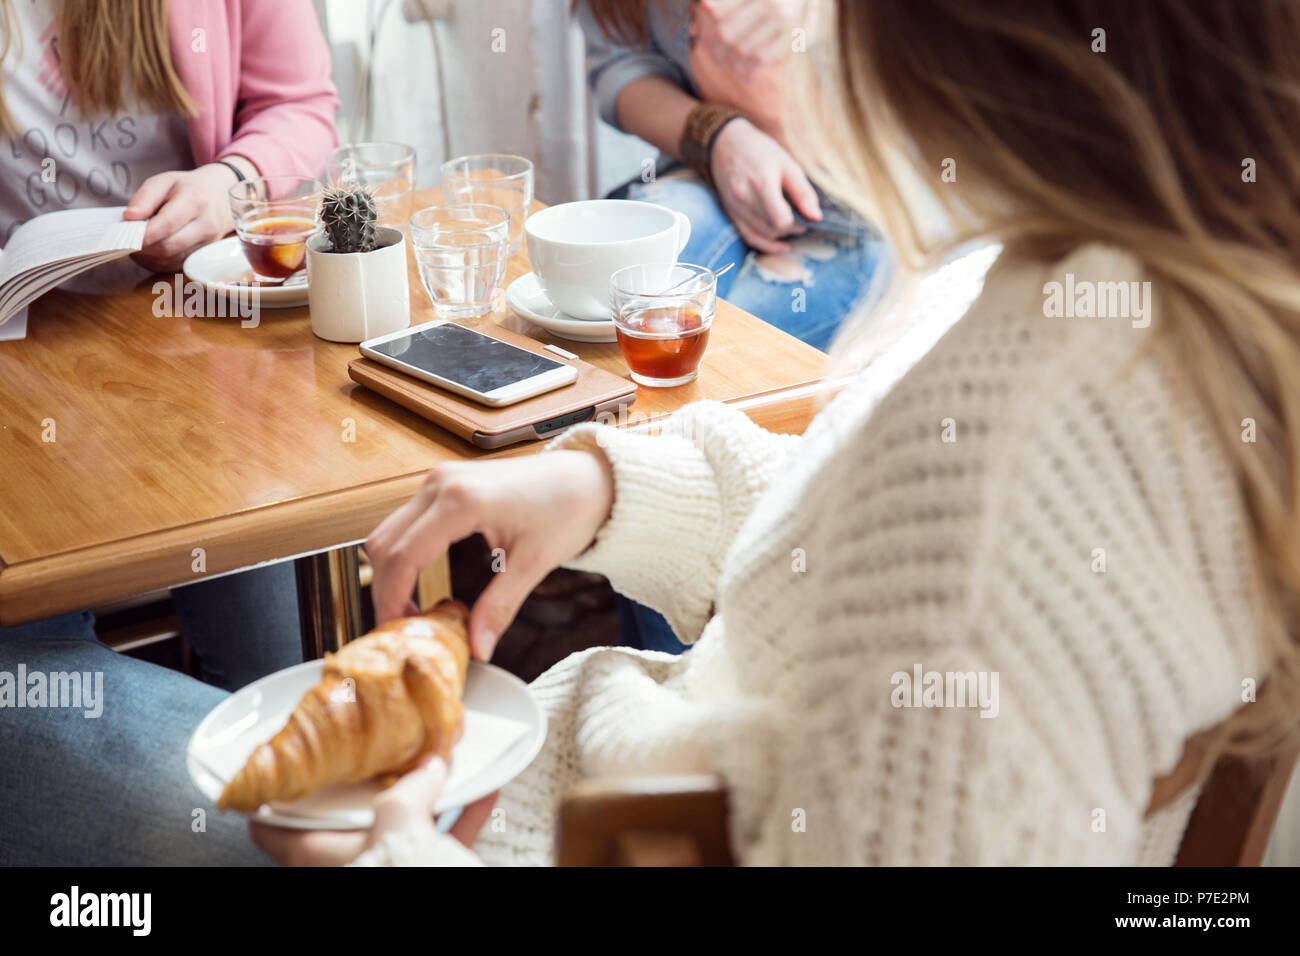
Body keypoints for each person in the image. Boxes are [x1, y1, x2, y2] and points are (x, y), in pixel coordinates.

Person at [266, 0, 1300, 865]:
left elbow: (935, 558)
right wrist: (607, 491)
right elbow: (861, 540)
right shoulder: (1090, 287)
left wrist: (396, 852)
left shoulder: (1004, 487)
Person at [0, 0, 337, 865]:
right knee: (296, 814)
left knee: (283, 702)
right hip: (18, 383)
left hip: (192, 358)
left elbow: (300, 105)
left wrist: (233, 182)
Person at [579, 0, 887, 654]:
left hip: (879, 205)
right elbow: (618, 69)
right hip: (711, 171)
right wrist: (718, 133)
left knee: (682, 405)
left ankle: (682, 690)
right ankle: (659, 678)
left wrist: (797, 51)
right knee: (640, 347)